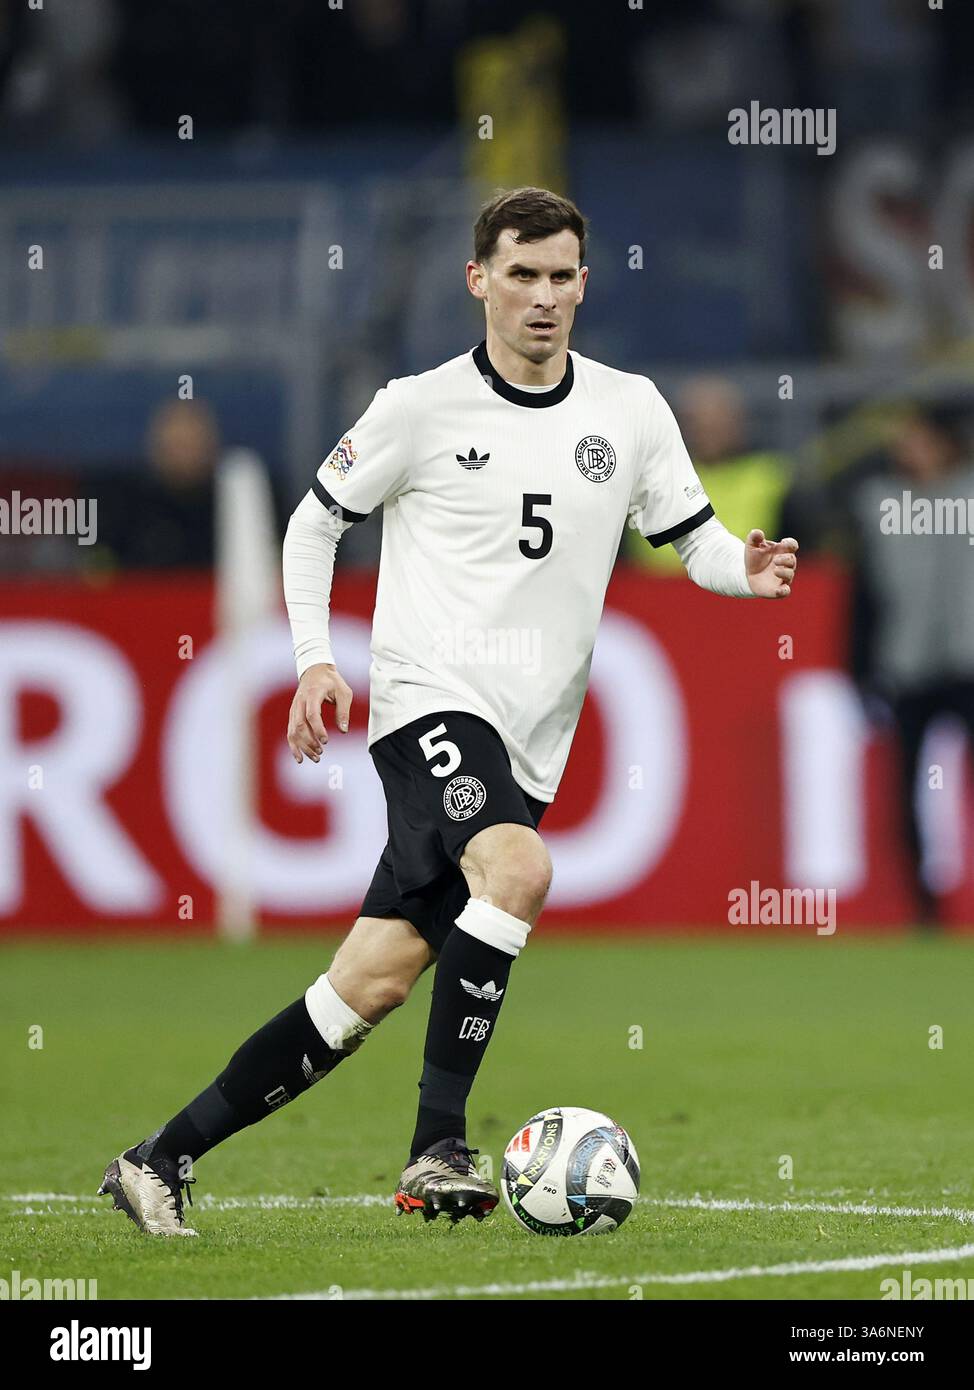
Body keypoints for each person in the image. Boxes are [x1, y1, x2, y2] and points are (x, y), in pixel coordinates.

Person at [99, 186, 798, 1236]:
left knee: (366, 986)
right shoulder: (416, 407)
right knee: (516, 871)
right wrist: (310, 659)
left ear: (583, 283)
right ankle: (437, 1146)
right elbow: (312, 523)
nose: (543, 296)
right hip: (430, 703)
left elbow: (689, 537)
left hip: (528, 743)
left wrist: (743, 572)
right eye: (521, 274)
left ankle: (159, 1159)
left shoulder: (628, 409)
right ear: (478, 280)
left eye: (562, 275)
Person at [846, 404, 974, 925]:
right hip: (907, 669)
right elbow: (864, 597)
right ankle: (924, 904)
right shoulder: (877, 502)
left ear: (945, 443)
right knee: (908, 791)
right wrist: (859, 671)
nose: (906, 450)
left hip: (968, 664)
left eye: (918, 439)